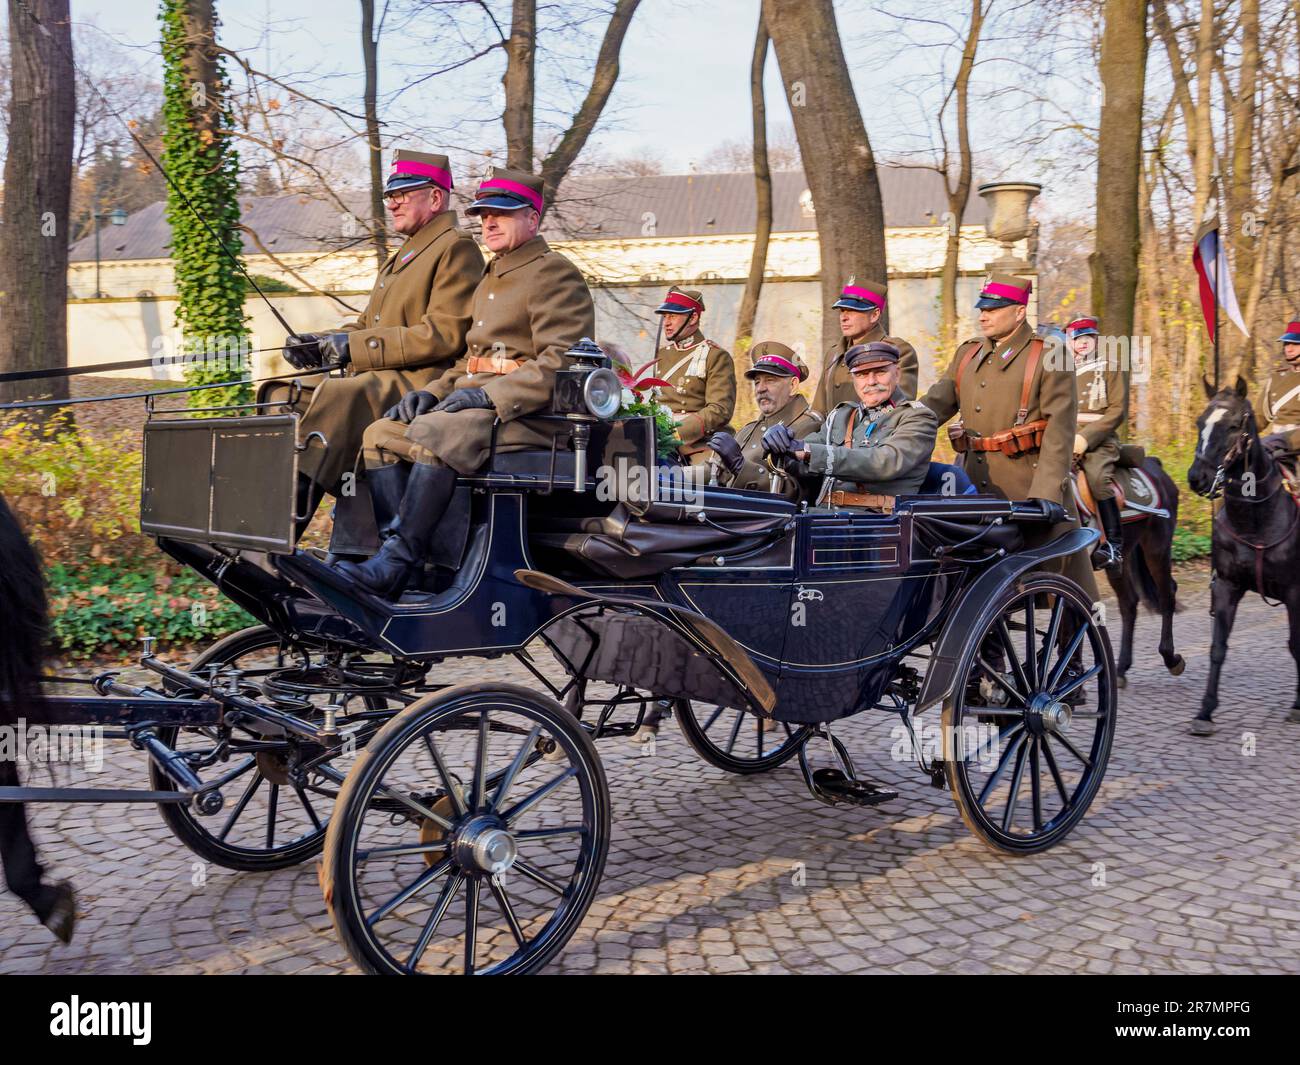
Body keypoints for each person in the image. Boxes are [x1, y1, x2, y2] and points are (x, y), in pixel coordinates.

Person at [331, 166, 595, 598]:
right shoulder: (493, 275)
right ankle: (398, 561)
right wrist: (430, 393)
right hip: (475, 412)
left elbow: (560, 360)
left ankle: (397, 562)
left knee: (440, 430)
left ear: (533, 218)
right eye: (483, 213)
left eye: (502, 214)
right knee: (379, 433)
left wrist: (489, 396)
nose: (489, 222)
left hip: (531, 418)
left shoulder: (553, 272)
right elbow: (468, 360)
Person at [261, 150, 484, 540]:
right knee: (285, 393)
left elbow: (443, 334)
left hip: (419, 385)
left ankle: (278, 535)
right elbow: (367, 324)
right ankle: (253, 517)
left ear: (435, 198)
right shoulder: (405, 254)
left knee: (343, 397)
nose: (392, 202)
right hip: (383, 376)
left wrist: (355, 348)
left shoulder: (456, 247)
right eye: (390, 194)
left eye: (404, 193)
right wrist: (322, 342)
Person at [919, 273, 1098, 600]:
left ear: (1019, 312)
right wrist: (897, 427)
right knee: (973, 589)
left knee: (1054, 587)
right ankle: (988, 651)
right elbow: (935, 404)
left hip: (1026, 487)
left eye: (994, 308)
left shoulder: (1049, 353)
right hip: (975, 487)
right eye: (982, 308)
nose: (983, 315)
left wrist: (1045, 492)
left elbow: (1060, 429)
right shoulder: (968, 354)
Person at [764, 342, 937, 505]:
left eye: (880, 372)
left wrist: (808, 452)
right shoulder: (842, 416)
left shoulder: (918, 417)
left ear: (897, 373)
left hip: (877, 523)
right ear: (853, 379)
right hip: (820, 517)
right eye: (861, 374)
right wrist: (783, 446)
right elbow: (804, 460)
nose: (871, 382)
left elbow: (885, 462)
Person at [706, 341, 822, 501]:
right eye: (757, 382)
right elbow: (714, 473)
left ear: (793, 385)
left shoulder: (809, 427)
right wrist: (671, 474)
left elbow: (797, 494)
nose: (760, 388)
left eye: (770, 380)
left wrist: (741, 467)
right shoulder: (748, 430)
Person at [650, 287, 736, 464]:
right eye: (665, 316)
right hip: (656, 437)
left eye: (672, 316)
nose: (666, 322)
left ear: (693, 317)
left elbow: (720, 410)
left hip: (695, 444)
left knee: (698, 478)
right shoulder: (662, 354)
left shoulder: (715, 355)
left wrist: (676, 431)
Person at [1068, 316, 1127, 570]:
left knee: (1097, 477)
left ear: (1096, 340)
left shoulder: (1110, 368)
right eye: (1077, 338)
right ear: (1069, 342)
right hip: (1063, 435)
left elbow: (1116, 411)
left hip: (1098, 440)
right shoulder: (1060, 370)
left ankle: (1114, 544)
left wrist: (1085, 437)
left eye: (1088, 338)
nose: (1083, 343)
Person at [816, 277, 919, 412]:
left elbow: (898, 407)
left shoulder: (897, 350)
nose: (844, 317)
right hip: (829, 432)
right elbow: (819, 410)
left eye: (852, 310)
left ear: (874, 315)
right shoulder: (833, 354)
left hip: (876, 431)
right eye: (842, 310)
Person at [1258, 319, 1300, 457]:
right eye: (1287, 343)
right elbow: (1259, 418)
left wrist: (1278, 441)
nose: (1289, 348)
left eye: (1295, 344)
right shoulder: (1276, 378)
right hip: (1274, 444)